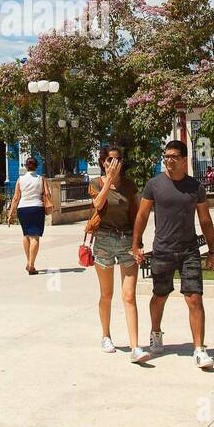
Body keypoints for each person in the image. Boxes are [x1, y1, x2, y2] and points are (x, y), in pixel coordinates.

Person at [131, 140, 214, 370]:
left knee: (194, 297)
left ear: (183, 160)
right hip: (163, 250)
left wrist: (212, 250)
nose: (168, 160)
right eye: (166, 156)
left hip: (189, 250)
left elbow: (205, 220)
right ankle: (156, 332)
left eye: (173, 157)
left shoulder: (195, 187)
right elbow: (142, 215)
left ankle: (199, 349)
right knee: (160, 295)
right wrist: (136, 243)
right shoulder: (154, 185)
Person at [88, 145, 149, 363]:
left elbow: (136, 215)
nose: (114, 163)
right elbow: (98, 204)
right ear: (103, 162)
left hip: (125, 240)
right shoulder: (96, 183)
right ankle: (106, 335)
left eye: (118, 160)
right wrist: (109, 180)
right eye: (109, 160)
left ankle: (135, 346)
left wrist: (138, 242)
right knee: (107, 294)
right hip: (103, 240)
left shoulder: (129, 186)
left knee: (129, 295)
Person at [5, 157, 50, 275]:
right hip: (37, 208)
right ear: (36, 166)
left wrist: (10, 214)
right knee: (35, 237)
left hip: (23, 209)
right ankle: (31, 264)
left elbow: (15, 198)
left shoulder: (20, 179)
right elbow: (47, 193)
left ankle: (28, 261)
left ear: (26, 166)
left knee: (26, 235)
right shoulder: (41, 179)